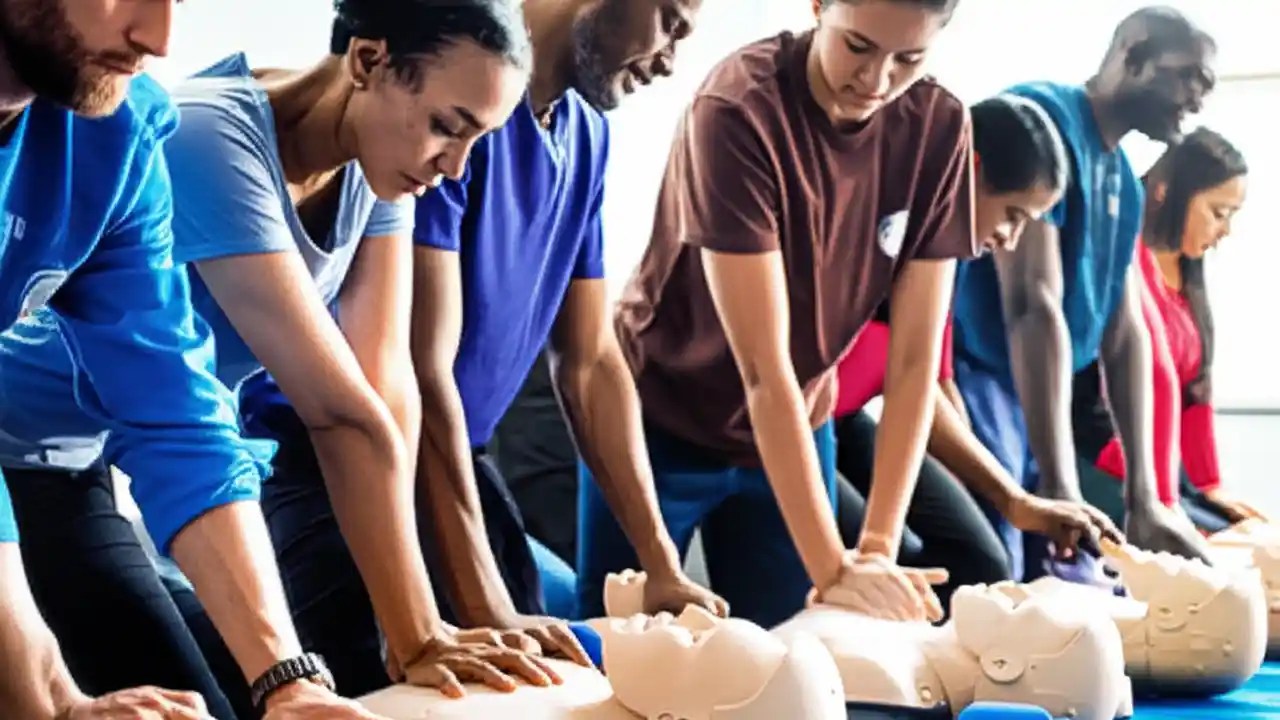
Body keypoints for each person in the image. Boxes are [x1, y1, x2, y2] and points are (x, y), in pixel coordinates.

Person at [0, 0, 559, 714]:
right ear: (367, 62)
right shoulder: (206, 134)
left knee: (250, 689)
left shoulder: (121, 133)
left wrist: (290, 677)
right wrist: (49, 694)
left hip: (91, 462)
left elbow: (184, 411)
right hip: (24, 456)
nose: (161, 37)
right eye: (447, 127)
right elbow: (340, 413)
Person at [236, 0, 726, 689]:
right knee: (381, 685)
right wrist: (481, 605)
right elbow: (418, 369)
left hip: (460, 455)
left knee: (547, 680)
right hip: (326, 465)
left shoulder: (585, 135)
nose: (671, 57)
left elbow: (590, 362)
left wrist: (662, 566)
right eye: (668, 21)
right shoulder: (447, 108)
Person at [581, 0, 976, 629]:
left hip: (798, 425)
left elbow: (913, 364)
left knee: (795, 658)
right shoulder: (739, 110)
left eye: (909, 58)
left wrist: (875, 549)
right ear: (819, 6)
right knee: (625, 648)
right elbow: (762, 370)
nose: (875, 81)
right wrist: (835, 570)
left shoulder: (939, 127)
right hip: (661, 419)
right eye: (857, 46)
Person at [949, 6, 1217, 582]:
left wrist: (1147, 495)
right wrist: (1059, 479)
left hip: (1044, 398)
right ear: (1134, 55)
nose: (1197, 99)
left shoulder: (1122, 175)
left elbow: (1125, 335)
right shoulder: (1044, 118)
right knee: (1007, 577)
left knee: (1085, 584)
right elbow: (1030, 306)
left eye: (1207, 86)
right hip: (981, 384)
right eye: (1187, 76)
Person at [832, 94, 1122, 609]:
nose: (1010, 239)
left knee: (979, 562)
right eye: (1012, 214)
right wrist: (878, 544)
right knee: (885, 566)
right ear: (972, 168)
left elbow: (933, 386)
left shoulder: (944, 258)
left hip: (848, 419)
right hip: (795, 424)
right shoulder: (868, 223)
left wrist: (1011, 500)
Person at [1072, 127, 1258, 531]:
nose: (1224, 230)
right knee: (1213, 550)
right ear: (1165, 190)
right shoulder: (1115, 255)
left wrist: (1210, 486)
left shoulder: (1189, 274)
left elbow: (1196, 390)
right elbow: (1088, 395)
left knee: (1248, 536)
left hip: (1163, 469)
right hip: (1103, 457)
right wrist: (1159, 480)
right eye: (1218, 212)